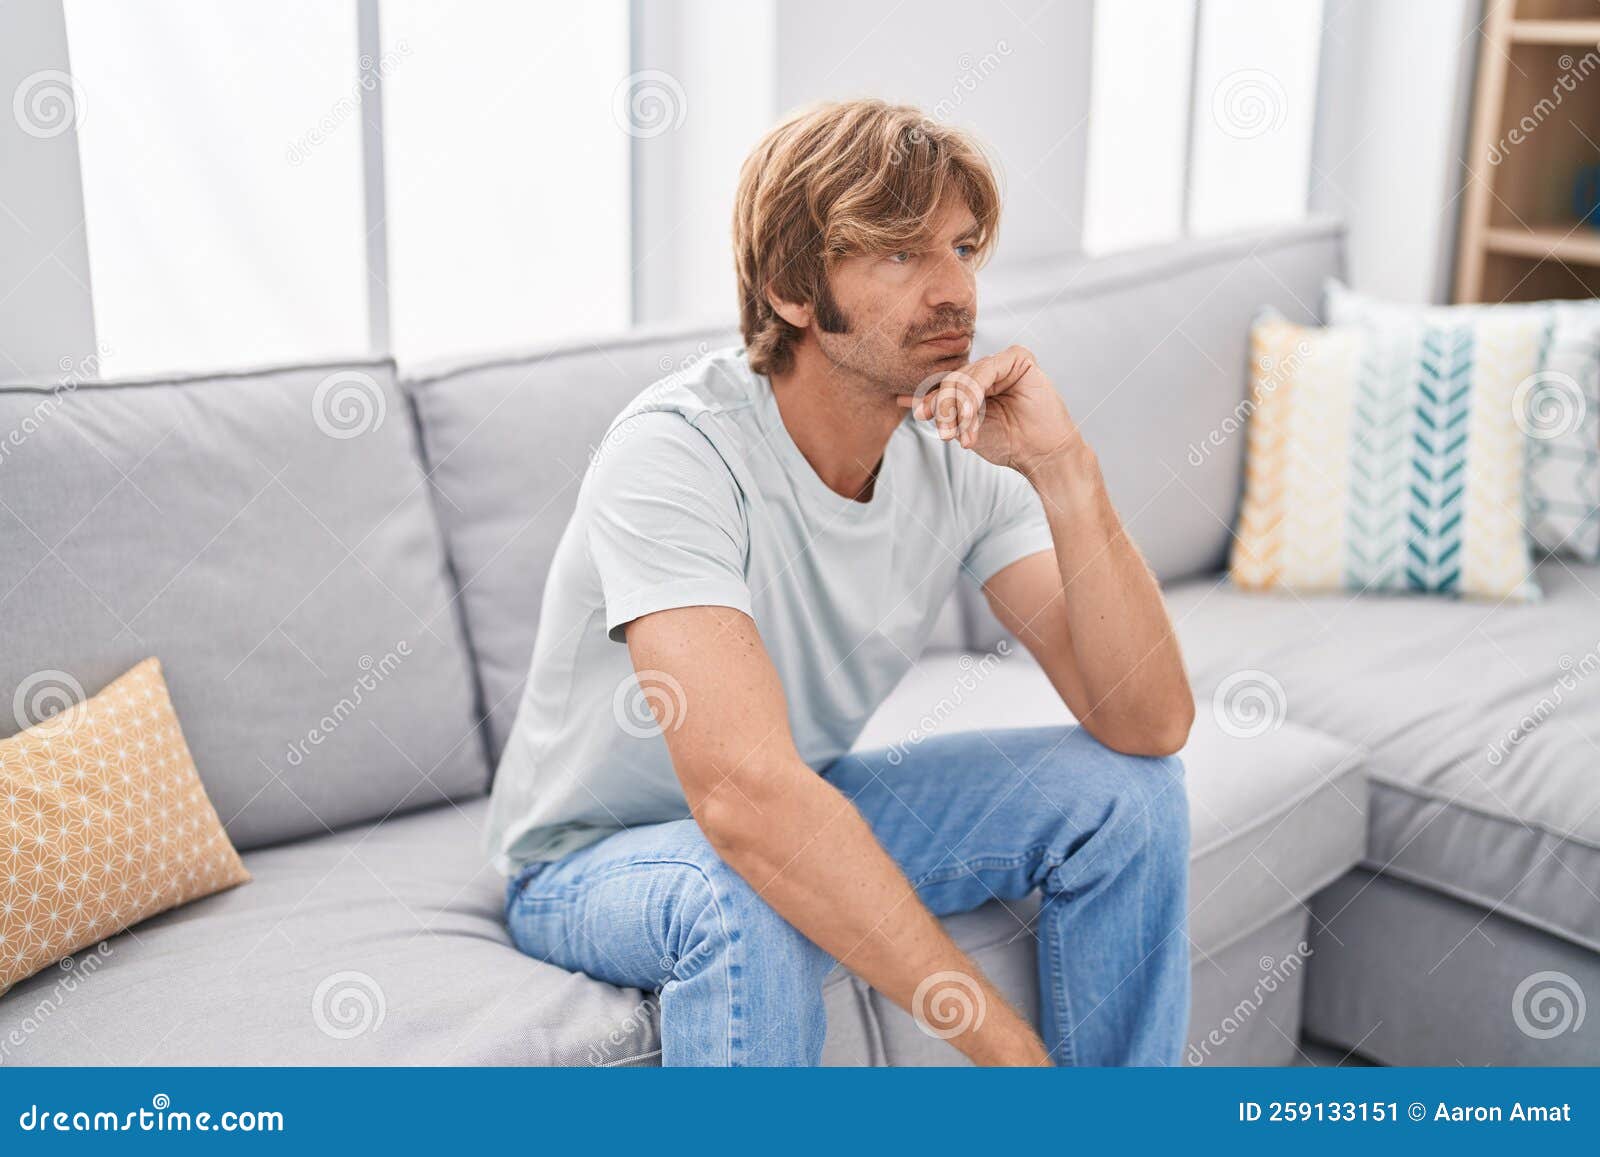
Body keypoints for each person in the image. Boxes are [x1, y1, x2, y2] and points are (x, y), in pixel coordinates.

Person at [486, 98, 1195, 1066]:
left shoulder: (958, 445)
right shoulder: (676, 453)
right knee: (744, 885)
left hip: (810, 795)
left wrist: (1063, 468)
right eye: (900, 253)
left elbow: (1144, 723)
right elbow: (744, 802)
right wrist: (1011, 1055)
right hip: (592, 860)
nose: (955, 291)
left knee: (1128, 791)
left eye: (962, 246)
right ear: (789, 288)